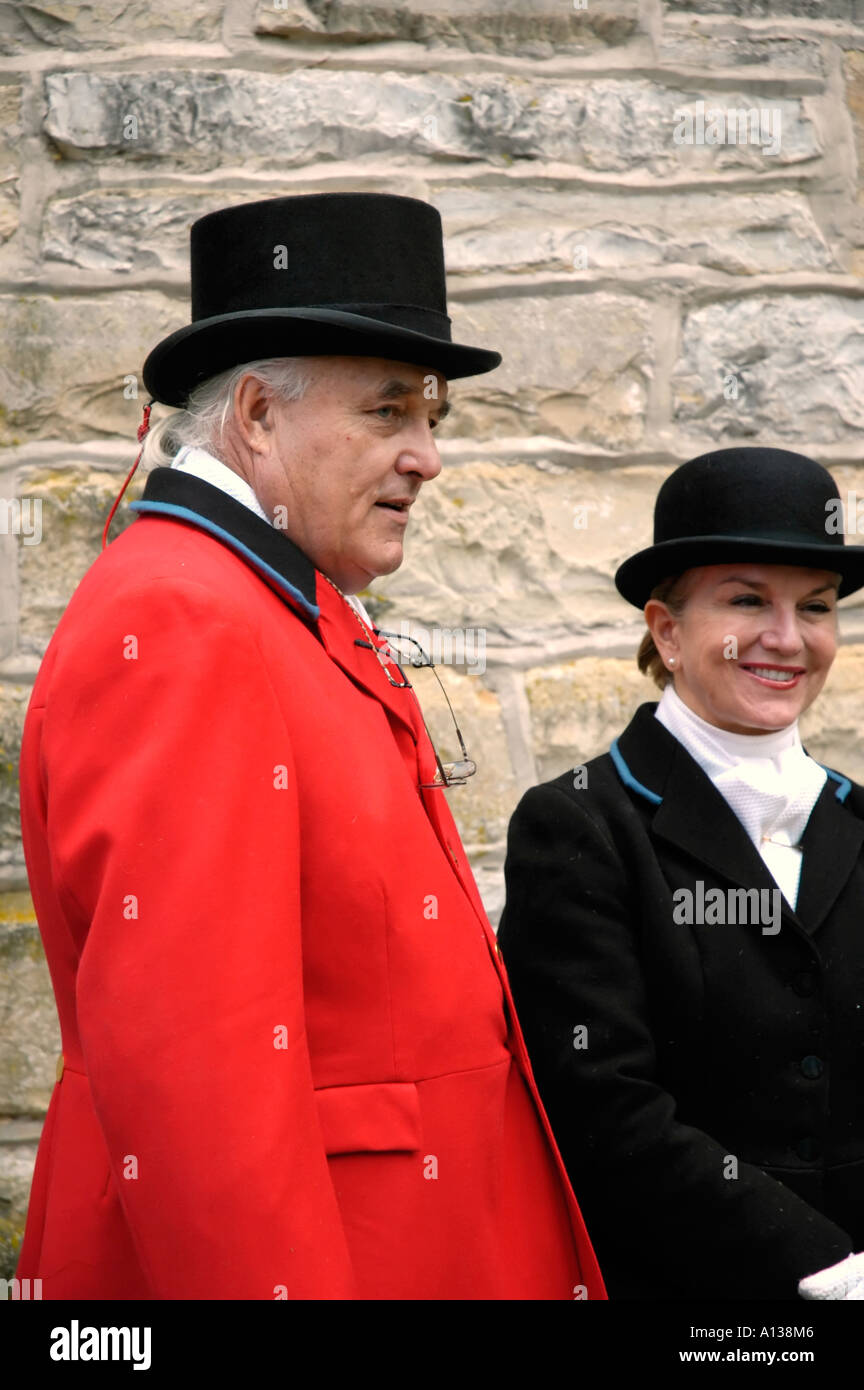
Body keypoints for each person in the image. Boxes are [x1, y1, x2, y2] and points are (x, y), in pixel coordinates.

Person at [13, 192, 605, 1301]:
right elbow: (200, 1087)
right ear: (255, 414)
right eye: (389, 412)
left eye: (432, 420)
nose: (427, 458)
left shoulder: (262, 597)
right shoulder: (187, 621)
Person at [498, 446, 864, 1301]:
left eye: (815, 608)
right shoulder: (581, 823)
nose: (787, 637)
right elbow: (598, 1104)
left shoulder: (857, 819)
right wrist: (821, 1266)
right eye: (747, 601)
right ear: (667, 629)